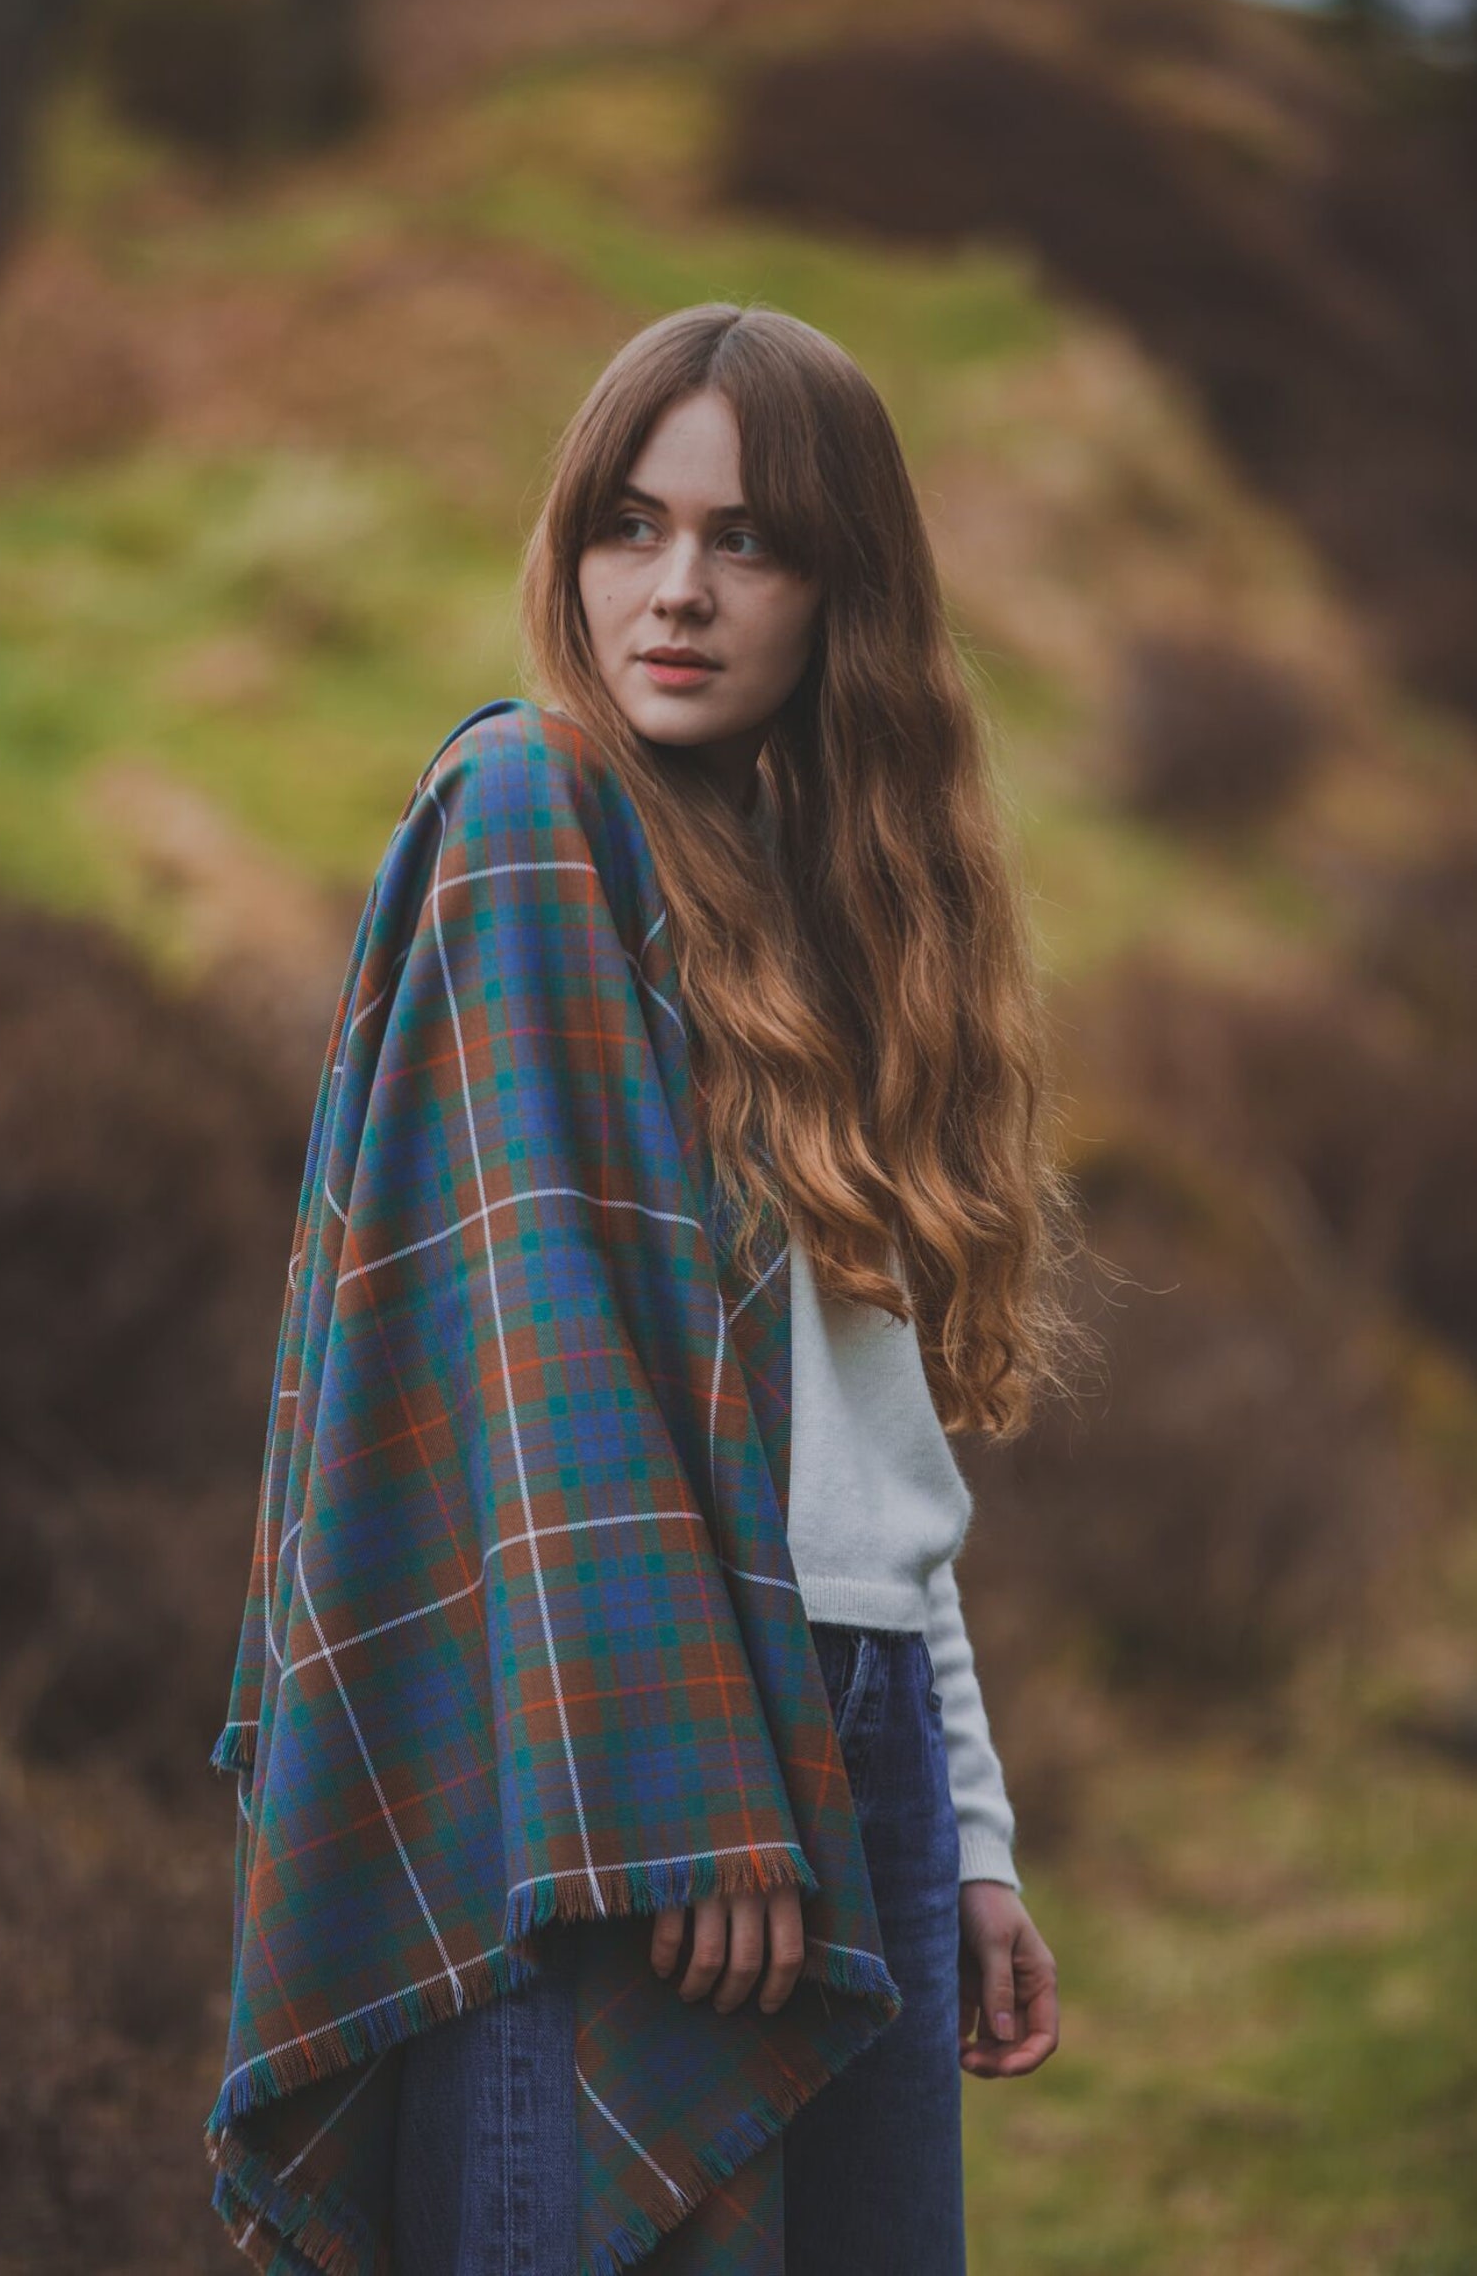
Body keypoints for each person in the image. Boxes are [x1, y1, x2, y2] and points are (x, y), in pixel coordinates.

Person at [210, 300, 1077, 2276]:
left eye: (746, 539)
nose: (673, 590)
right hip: (616, 1742)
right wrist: (684, 1793)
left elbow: (868, 1460)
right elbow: (546, 1364)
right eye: (628, 525)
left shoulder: (823, 902)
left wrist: (966, 1833)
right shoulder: (528, 813)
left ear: (843, 586)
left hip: (841, 1732)